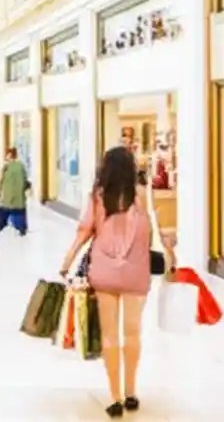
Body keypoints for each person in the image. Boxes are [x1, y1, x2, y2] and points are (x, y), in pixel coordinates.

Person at [59, 147, 163, 419]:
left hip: (104, 270)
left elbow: (85, 230)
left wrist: (68, 259)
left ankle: (114, 396)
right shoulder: (141, 195)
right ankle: (131, 392)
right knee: (132, 332)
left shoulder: (98, 196)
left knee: (109, 335)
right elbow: (152, 230)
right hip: (135, 270)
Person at [0, 147, 30, 236]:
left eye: (7, 155)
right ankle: (21, 229)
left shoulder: (6, 167)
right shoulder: (21, 166)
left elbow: (0, 180)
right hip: (18, 196)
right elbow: (25, 179)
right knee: (20, 212)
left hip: (7, 196)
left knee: (3, 210)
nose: (6, 157)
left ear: (9, 155)